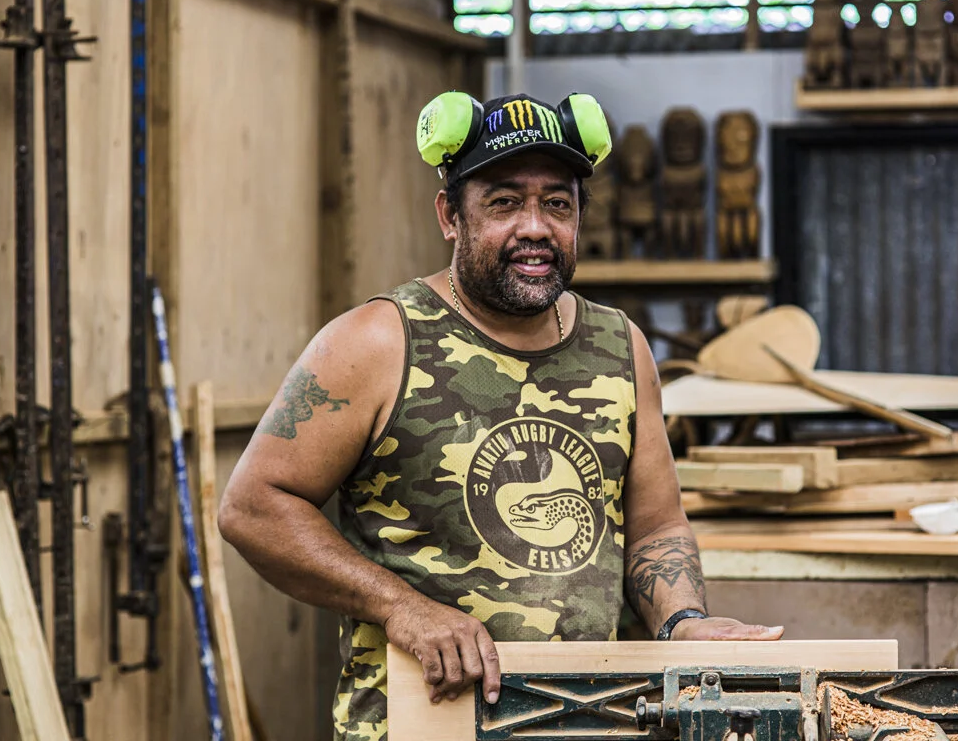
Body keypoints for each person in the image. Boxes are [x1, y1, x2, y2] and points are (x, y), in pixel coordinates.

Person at [218, 91, 784, 741]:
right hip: (423, 723)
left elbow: (654, 526)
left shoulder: (619, 346)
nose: (536, 227)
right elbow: (253, 506)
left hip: (595, 722)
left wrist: (682, 621)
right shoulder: (377, 342)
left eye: (558, 204)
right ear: (450, 216)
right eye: (504, 202)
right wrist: (400, 606)